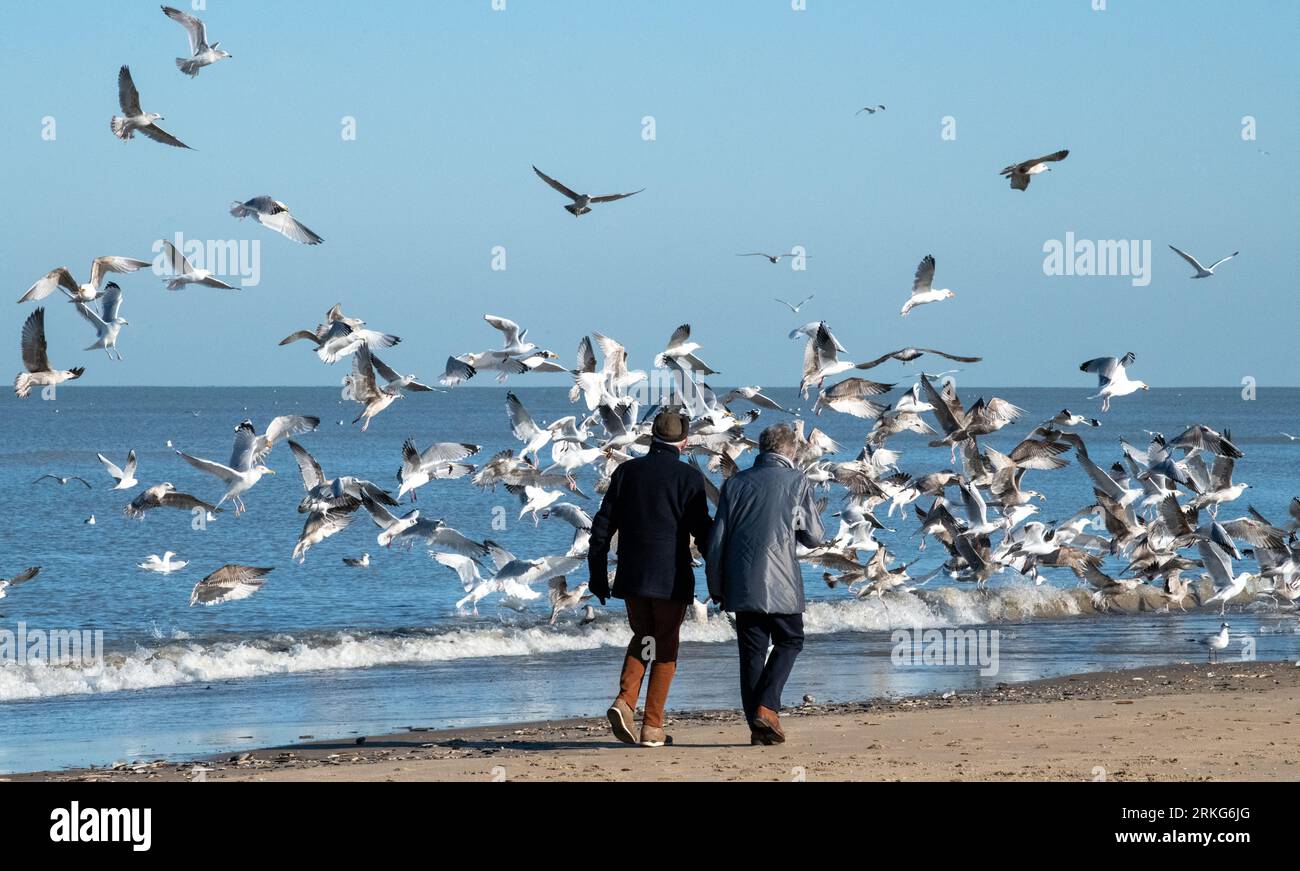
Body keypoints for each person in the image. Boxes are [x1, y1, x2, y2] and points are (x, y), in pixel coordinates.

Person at [588, 409, 713, 748]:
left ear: (651, 437)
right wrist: (717, 577)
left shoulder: (627, 471)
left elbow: (602, 528)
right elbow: (703, 533)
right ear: (684, 442)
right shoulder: (688, 478)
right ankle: (653, 727)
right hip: (670, 580)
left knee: (645, 636)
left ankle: (625, 702)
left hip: (632, 578)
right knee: (666, 648)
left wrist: (597, 576)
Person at [705, 422, 823, 745]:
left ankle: (759, 730)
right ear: (792, 451)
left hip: (742, 584)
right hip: (783, 583)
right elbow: (813, 536)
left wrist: (715, 585)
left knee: (752, 653)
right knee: (790, 640)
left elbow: (716, 543)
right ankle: (768, 708)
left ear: (761, 449)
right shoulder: (797, 482)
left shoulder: (735, 485)